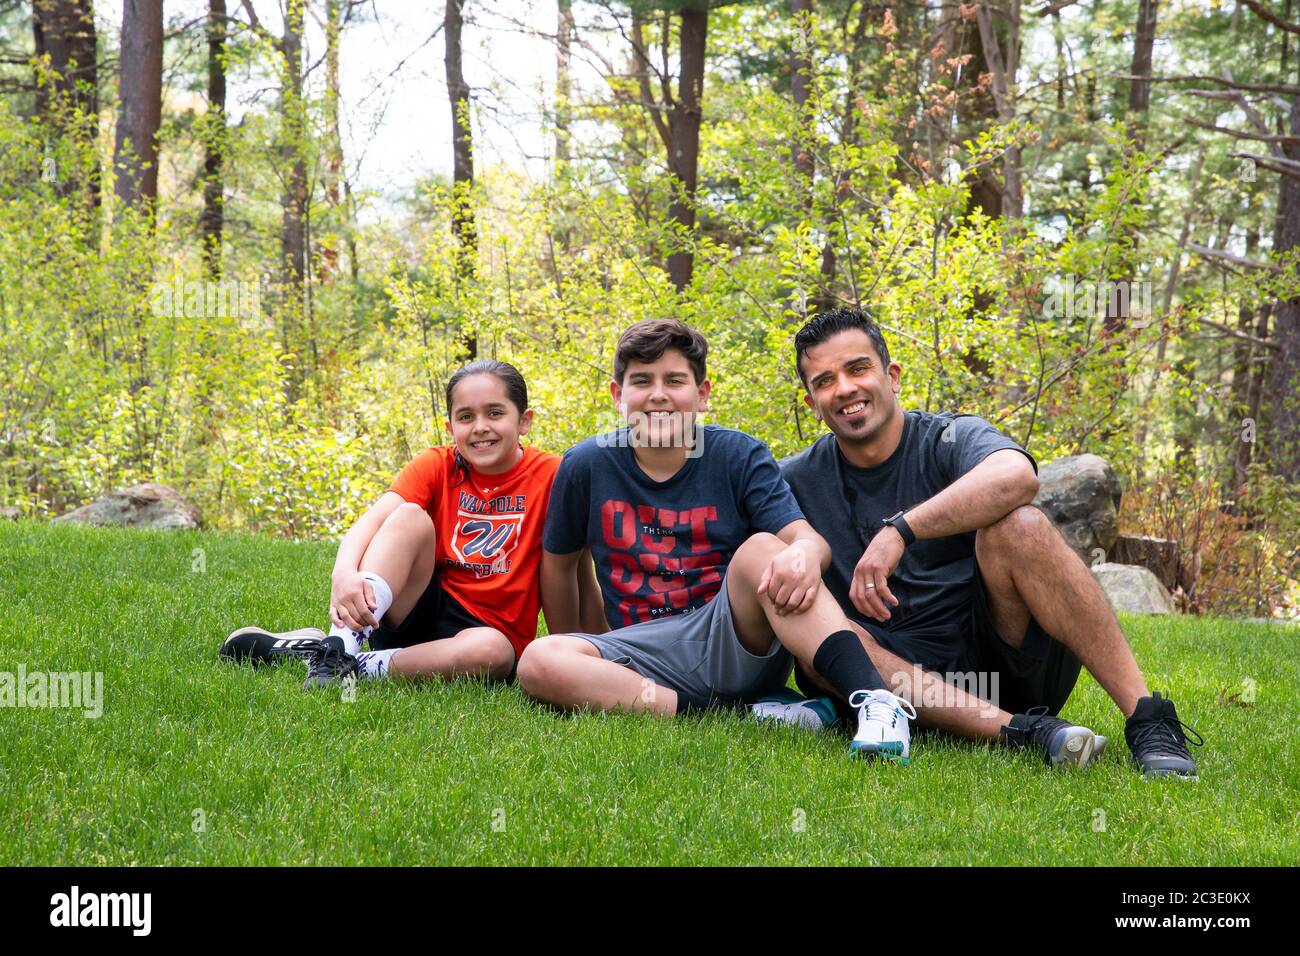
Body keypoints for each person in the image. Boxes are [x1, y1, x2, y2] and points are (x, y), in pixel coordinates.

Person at [518, 319, 1004, 763]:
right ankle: (739, 714)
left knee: (761, 550)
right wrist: (587, 645)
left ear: (703, 394)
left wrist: (805, 554)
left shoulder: (736, 454)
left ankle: (874, 703)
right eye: (641, 382)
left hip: (729, 634)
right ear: (617, 394)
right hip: (642, 649)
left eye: (675, 381)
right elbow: (560, 567)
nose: (658, 395)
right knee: (542, 659)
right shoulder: (586, 464)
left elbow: (806, 539)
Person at [780, 306, 1203, 777]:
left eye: (858, 368)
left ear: (892, 375)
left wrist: (899, 530)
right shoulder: (794, 479)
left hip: (1004, 660)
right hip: (893, 687)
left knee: (1021, 524)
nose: (845, 389)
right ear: (811, 402)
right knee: (818, 633)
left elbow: (1017, 475)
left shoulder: (948, 437)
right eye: (825, 381)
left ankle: (1148, 718)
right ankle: (1023, 734)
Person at [220, 359, 575, 689]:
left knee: (491, 652)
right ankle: (339, 649)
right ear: (451, 427)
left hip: (488, 634)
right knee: (408, 516)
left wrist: (580, 647)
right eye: (466, 417)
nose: (480, 427)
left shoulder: (554, 476)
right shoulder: (436, 464)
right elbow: (371, 521)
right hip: (415, 608)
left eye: (495, 413)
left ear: (524, 420)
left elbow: (572, 567)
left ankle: (348, 663)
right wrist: (343, 573)